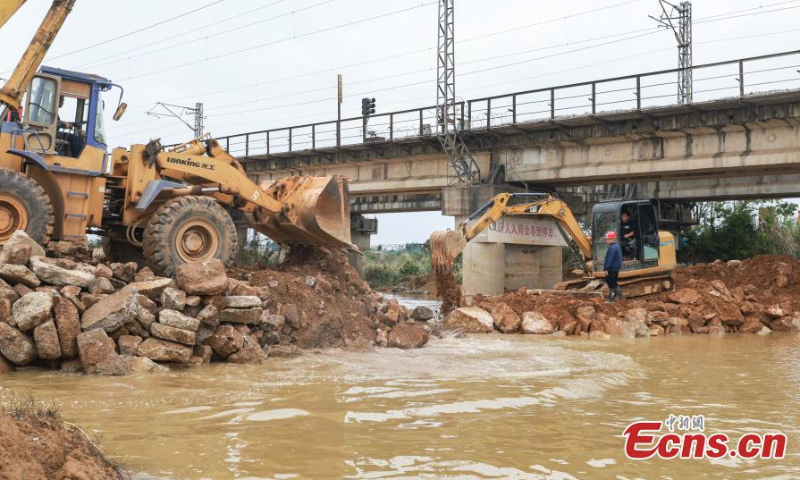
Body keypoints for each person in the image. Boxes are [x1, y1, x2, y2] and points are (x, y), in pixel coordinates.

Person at [603, 230, 623, 302]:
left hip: (611, 269)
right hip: (616, 269)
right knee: (614, 282)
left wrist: (606, 269)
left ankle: (611, 300)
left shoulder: (612, 248)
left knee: (611, 284)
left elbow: (609, 259)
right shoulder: (617, 247)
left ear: (611, 239)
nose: (606, 240)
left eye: (607, 239)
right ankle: (620, 296)